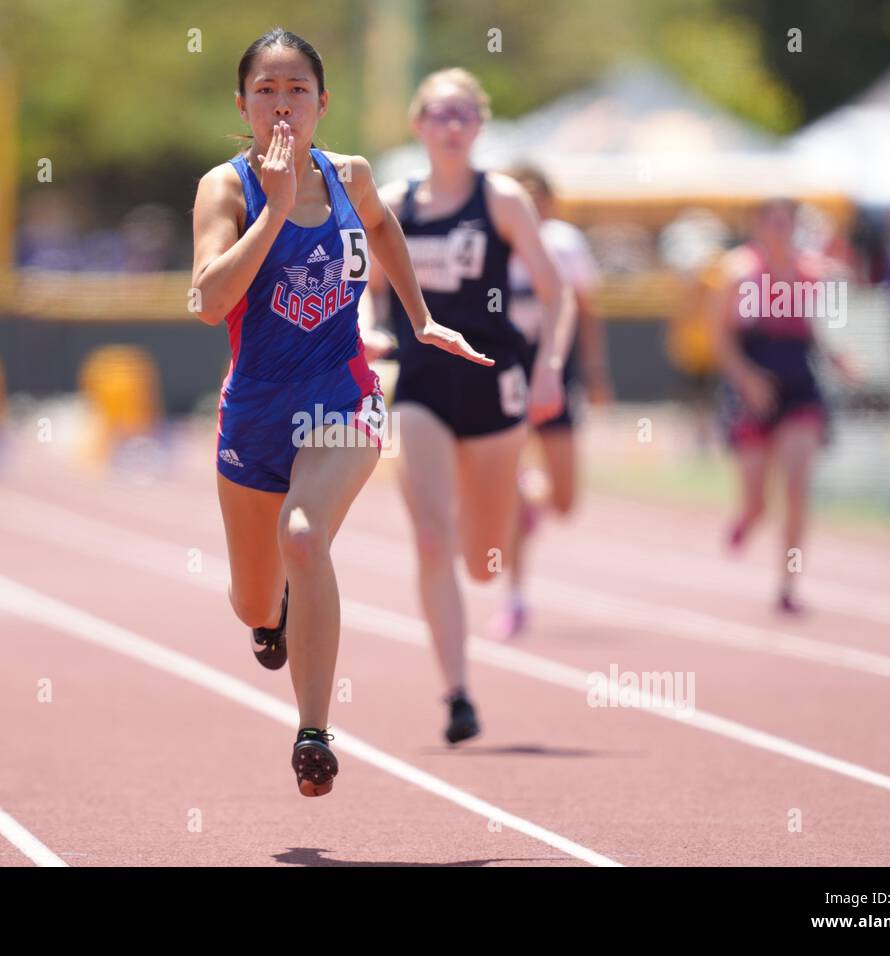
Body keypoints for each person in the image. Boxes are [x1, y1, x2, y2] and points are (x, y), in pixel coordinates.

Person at [190, 30, 490, 796]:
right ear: (242, 104)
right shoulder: (224, 190)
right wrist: (276, 211)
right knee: (253, 598)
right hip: (256, 413)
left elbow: (383, 227)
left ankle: (313, 732)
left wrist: (419, 317)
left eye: (297, 90)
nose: (282, 104)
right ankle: (271, 618)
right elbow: (209, 300)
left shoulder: (351, 176)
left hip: (341, 397)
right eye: (266, 90)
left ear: (323, 102)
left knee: (303, 533)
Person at [359, 68, 570, 743]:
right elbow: (363, 281)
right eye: (439, 115)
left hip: (493, 380)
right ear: (419, 125)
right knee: (429, 534)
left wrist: (550, 369)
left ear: (478, 126)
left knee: (484, 561)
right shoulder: (394, 202)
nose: (451, 126)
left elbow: (555, 290)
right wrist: (369, 326)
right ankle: (457, 693)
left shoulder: (501, 199)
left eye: (463, 116)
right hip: (421, 380)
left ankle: (514, 510)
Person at [711, 199, 856, 613]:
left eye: (786, 222)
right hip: (751, 393)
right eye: (771, 222)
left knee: (795, 485)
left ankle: (788, 586)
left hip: (799, 391)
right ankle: (747, 517)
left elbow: (814, 330)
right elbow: (719, 339)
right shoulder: (738, 274)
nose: (779, 229)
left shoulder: (811, 273)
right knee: (758, 502)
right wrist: (748, 381)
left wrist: (836, 359)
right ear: (759, 226)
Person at [491, 165, 606, 640]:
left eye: (540, 198)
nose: (532, 207)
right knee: (511, 495)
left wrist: (596, 372)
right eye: (523, 197)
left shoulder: (565, 244)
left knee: (565, 500)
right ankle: (515, 598)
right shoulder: (492, 241)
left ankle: (533, 495)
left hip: (556, 373)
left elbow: (587, 311)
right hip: (503, 375)